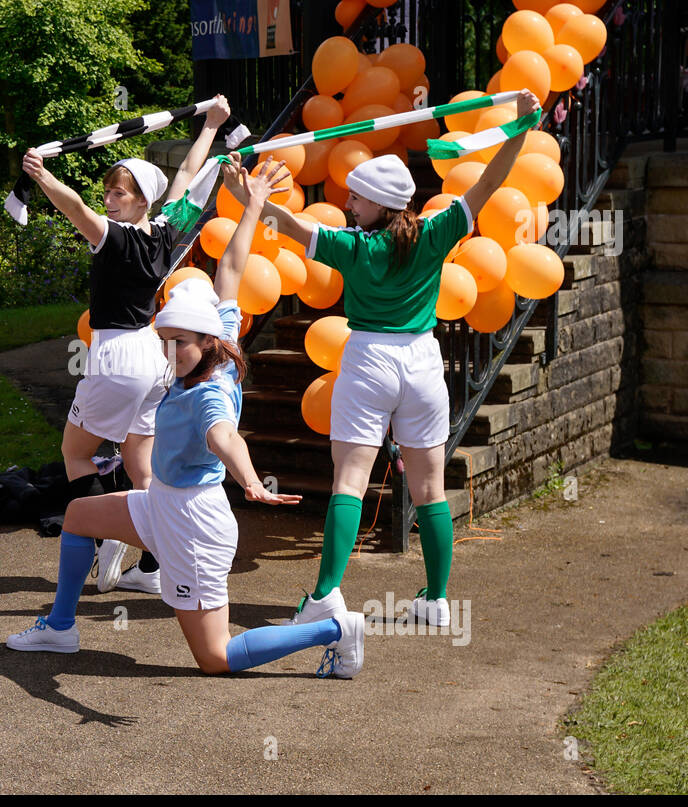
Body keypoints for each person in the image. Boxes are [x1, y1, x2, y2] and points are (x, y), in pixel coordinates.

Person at [6, 158, 366, 679]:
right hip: (160, 504)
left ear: (205, 342)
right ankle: (61, 628)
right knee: (81, 518)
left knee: (214, 658)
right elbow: (234, 267)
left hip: (195, 525)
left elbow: (225, 437)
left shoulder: (209, 395)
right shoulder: (218, 330)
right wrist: (255, 204)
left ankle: (335, 630)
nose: (170, 351)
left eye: (179, 343)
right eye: (165, 339)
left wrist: (251, 482)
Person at [220, 90, 540, 629]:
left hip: (367, 360)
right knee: (431, 487)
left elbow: (286, 224)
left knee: (349, 481)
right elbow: (489, 184)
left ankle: (325, 597)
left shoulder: (352, 246)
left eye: (357, 200)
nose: (349, 205)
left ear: (380, 205)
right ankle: (436, 600)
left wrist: (246, 193)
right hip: (421, 363)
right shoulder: (436, 233)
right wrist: (522, 131)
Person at [19, 96, 233, 596]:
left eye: (120, 193)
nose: (110, 200)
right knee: (142, 466)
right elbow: (186, 174)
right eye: (109, 192)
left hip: (117, 357)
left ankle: (106, 532)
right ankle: (154, 565)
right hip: (154, 358)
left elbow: (73, 207)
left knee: (75, 454)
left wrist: (41, 175)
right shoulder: (166, 231)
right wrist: (211, 126)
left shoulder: (112, 238)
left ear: (141, 201)